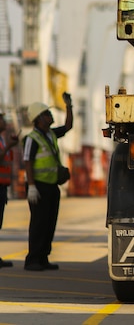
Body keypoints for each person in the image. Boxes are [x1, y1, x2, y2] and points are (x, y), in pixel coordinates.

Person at [22, 93, 73, 271]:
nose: (50, 116)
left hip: (52, 186)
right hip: (38, 186)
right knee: (39, 223)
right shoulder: (32, 138)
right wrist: (32, 187)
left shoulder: (50, 134)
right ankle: (32, 259)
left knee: (50, 223)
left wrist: (69, 106)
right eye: (46, 114)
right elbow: (27, 161)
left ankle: (43, 258)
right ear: (38, 119)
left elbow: (68, 126)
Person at [0, 111, 19, 268]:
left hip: (2, 186)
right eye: (0, 119)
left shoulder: (2, 139)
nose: (4, 121)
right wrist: (10, 147)